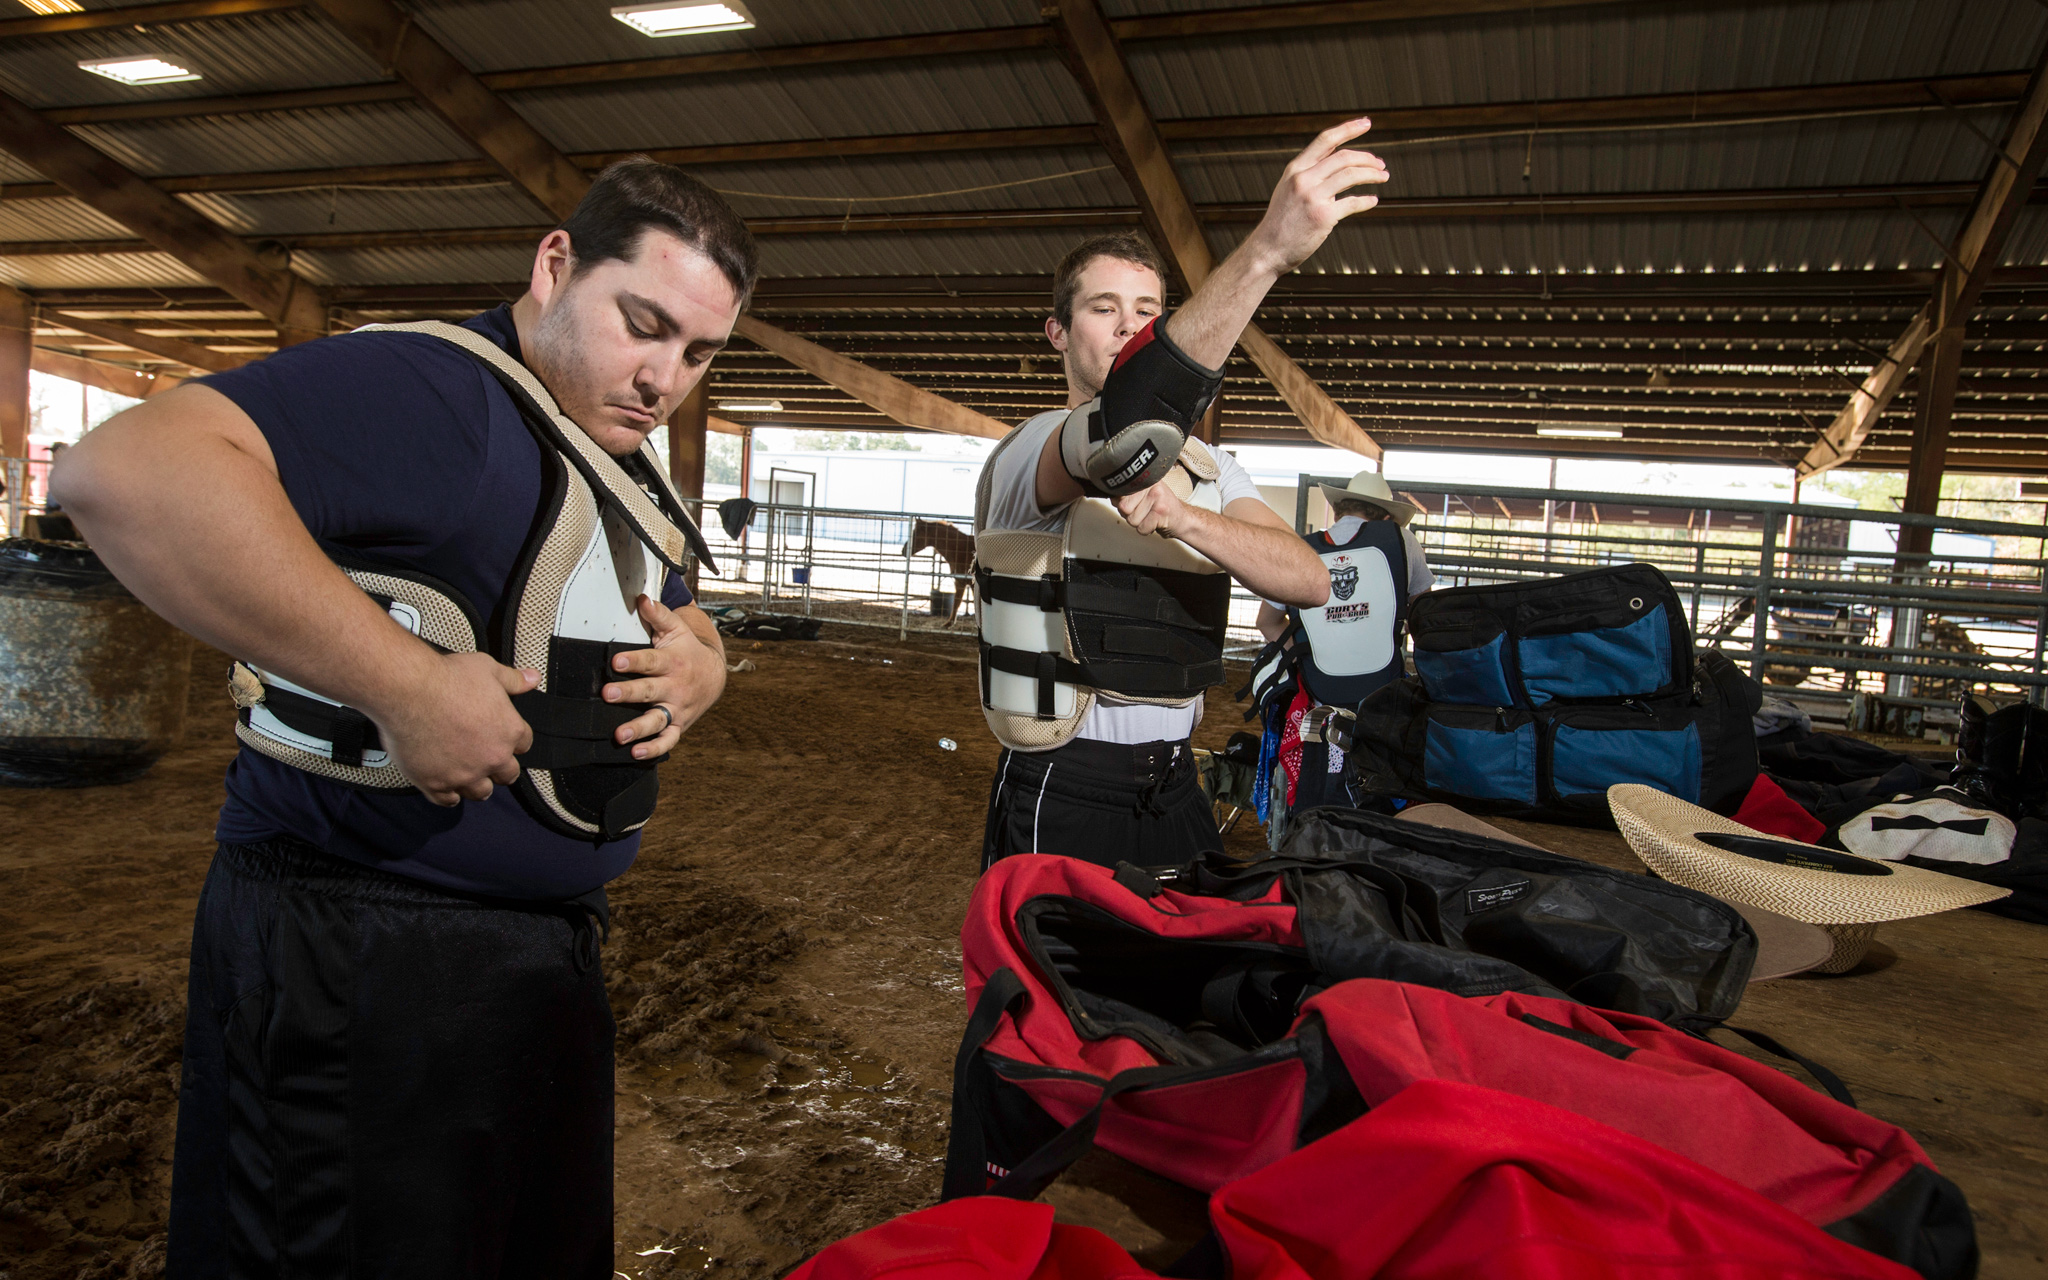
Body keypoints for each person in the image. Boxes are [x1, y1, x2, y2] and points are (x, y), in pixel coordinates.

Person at [51, 158, 749, 1278]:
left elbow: (645, 599)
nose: (663, 377)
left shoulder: (600, 434)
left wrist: (704, 660)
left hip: (528, 962)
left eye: (700, 353)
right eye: (643, 324)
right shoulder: (434, 390)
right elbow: (120, 470)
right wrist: (404, 685)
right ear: (556, 265)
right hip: (359, 954)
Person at [974, 119, 1388, 872]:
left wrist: (1186, 516)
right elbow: (1120, 430)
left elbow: (1309, 580)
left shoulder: (1212, 470)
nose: (1128, 326)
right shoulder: (1032, 451)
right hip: (1063, 782)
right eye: (1103, 308)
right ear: (1057, 332)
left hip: (1177, 783)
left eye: (1147, 311)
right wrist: (1265, 253)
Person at [1250, 471, 1435, 832]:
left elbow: (1267, 622)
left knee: (1318, 797)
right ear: (1386, 516)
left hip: (1320, 703)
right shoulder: (1402, 542)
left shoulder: (1300, 549)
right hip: (1383, 699)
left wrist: (1311, 655)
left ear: (1339, 510)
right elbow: (1424, 618)